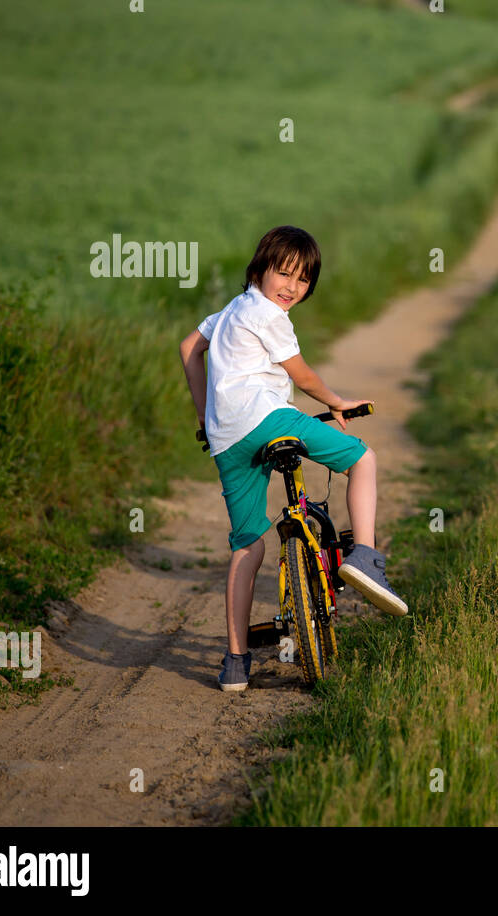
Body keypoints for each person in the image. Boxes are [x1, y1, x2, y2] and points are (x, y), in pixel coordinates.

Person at [179, 225, 407, 692]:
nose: (292, 288)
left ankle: (236, 663)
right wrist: (338, 402)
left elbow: (188, 348)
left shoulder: (228, 312)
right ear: (260, 269)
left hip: (226, 441)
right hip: (267, 420)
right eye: (284, 274)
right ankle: (363, 556)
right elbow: (301, 376)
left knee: (247, 543)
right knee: (363, 460)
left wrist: (204, 415)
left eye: (303, 281)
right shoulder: (269, 315)